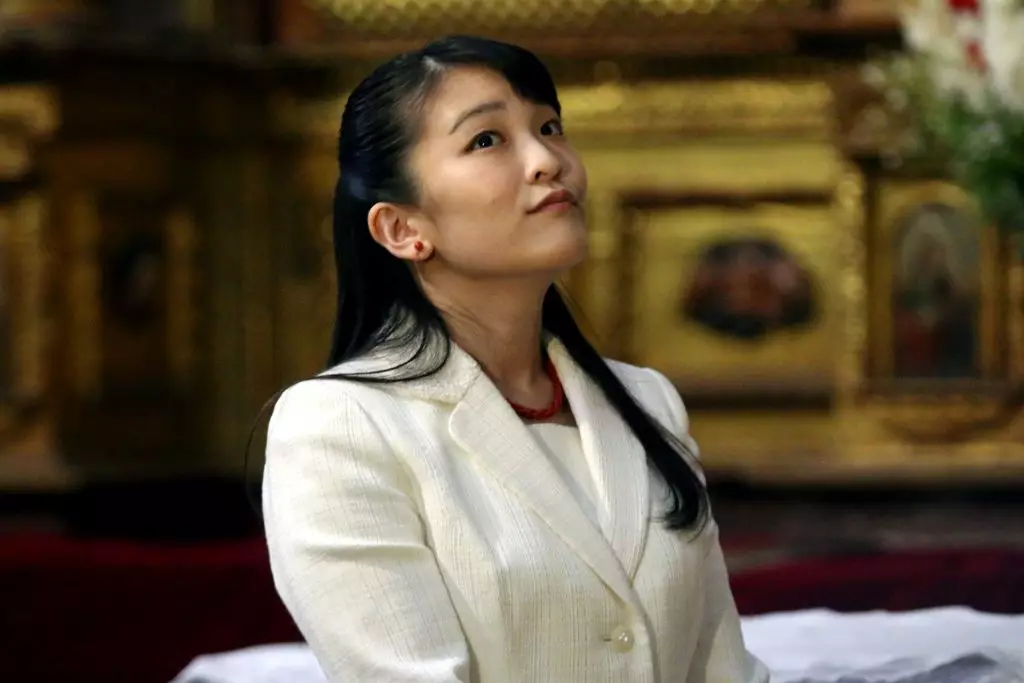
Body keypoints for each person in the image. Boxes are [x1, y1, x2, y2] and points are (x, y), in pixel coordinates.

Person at [262, 35, 769, 683]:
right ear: (401, 228)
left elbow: (723, 669)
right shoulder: (340, 425)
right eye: (486, 140)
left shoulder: (645, 401)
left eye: (549, 127)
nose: (546, 160)